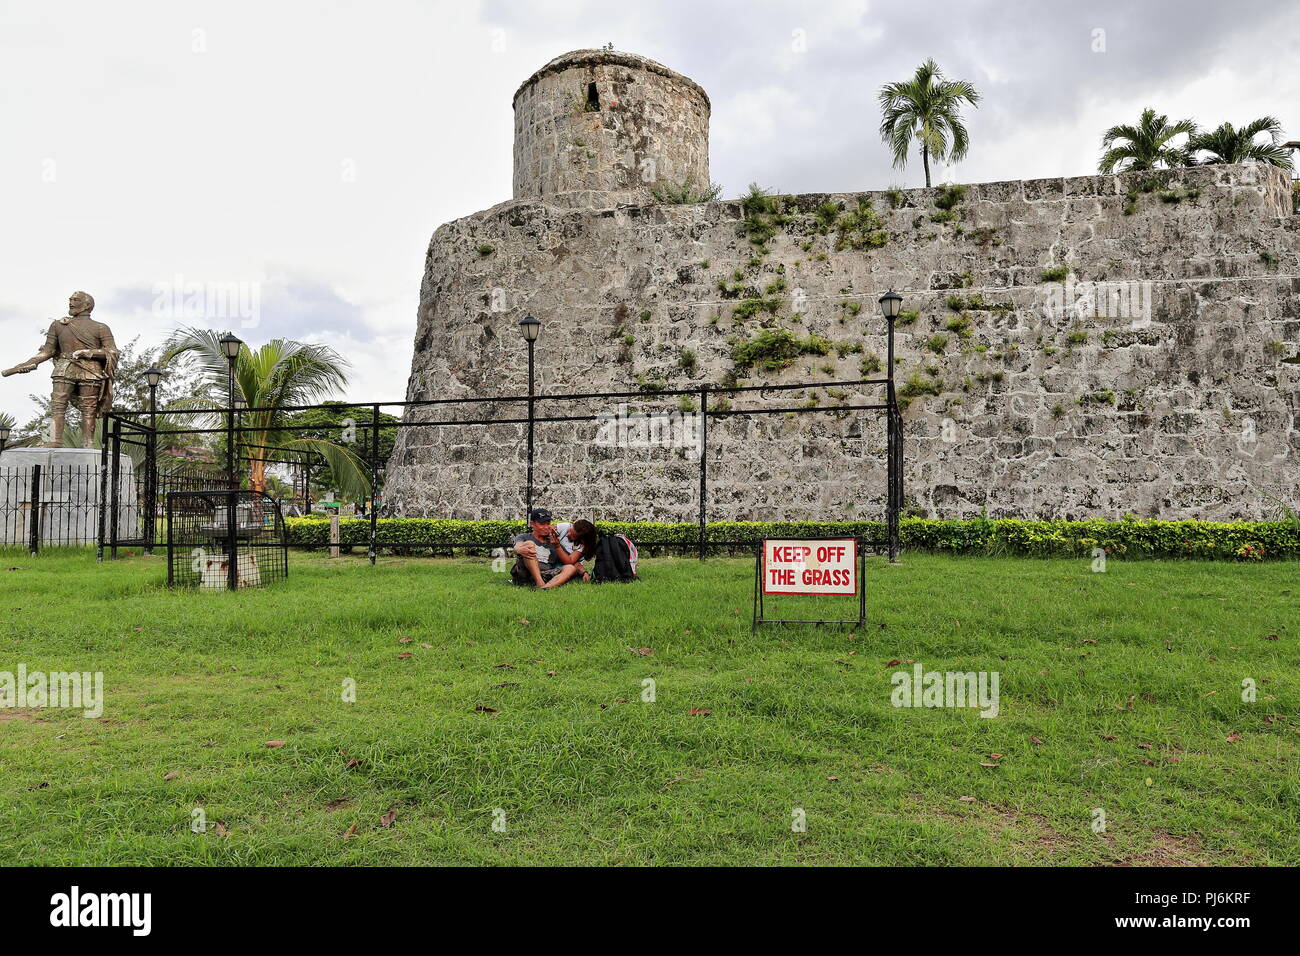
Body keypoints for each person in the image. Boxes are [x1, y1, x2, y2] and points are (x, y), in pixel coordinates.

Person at [509, 508, 582, 589]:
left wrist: (584, 572)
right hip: (524, 572)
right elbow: (517, 546)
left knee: (570, 568)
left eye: (548, 523)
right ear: (532, 524)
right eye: (542, 524)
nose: (546, 527)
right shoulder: (524, 537)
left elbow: (570, 561)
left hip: (545, 574)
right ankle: (540, 583)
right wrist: (519, 550)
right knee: (529, 544)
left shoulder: (554, 542)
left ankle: (546, 587)